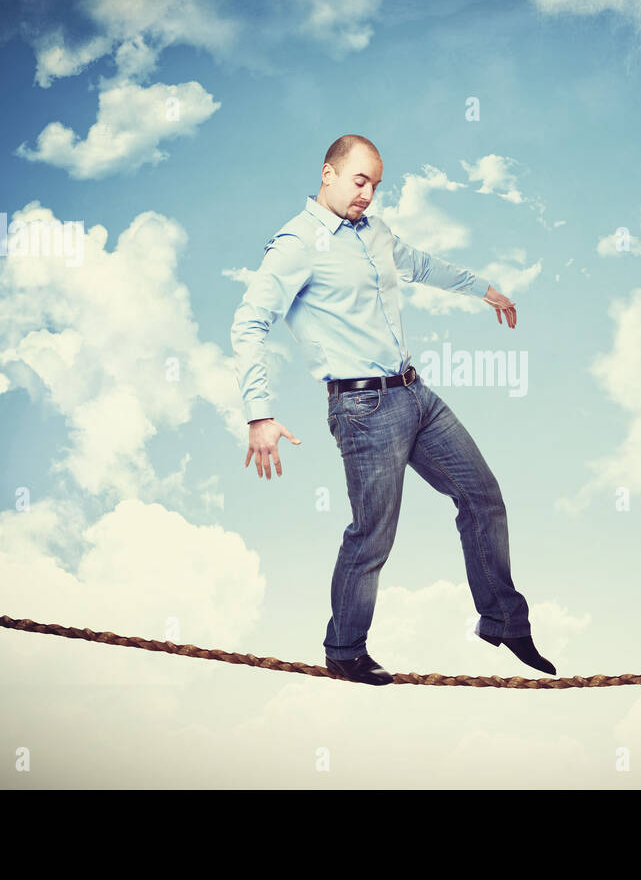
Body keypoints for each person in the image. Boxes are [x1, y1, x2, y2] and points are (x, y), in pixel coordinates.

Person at [230, 134, 555, 685]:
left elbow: (420, 265)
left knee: (482, 497)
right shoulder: (295, 244)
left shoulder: (373, 232)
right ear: (328, 174)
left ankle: (501, 620)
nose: (368, 195)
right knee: (373, 533)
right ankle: (345, 650)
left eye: (376, 185)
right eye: (360, 182)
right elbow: (249, 324)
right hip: (362, 407)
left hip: (415, 393)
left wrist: (484, 289)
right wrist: (259, 413)